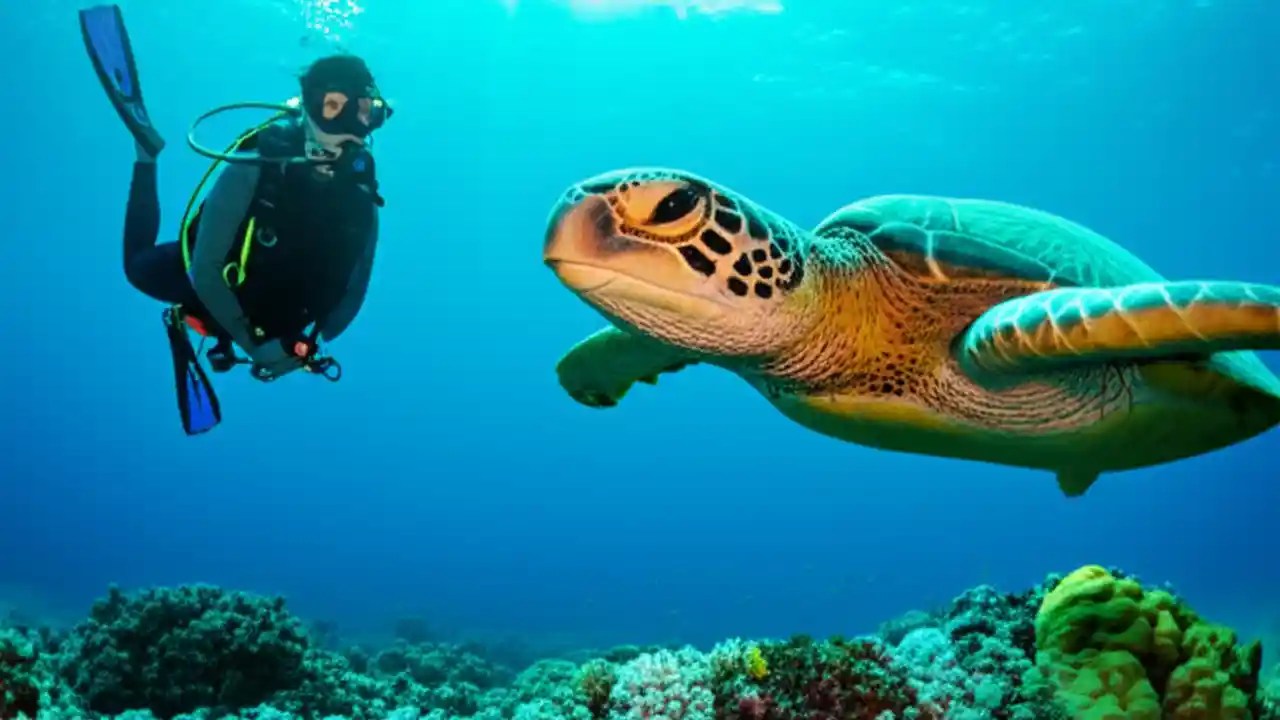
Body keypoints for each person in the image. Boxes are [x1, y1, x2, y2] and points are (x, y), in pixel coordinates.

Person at [79, 4, 391, 434]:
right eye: (332, 107)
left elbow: (354, 290)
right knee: (138, 268)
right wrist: (256, 346)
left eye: (364, 112)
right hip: (219, 276)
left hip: (285, 303)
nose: (350, 129)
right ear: (308, 110)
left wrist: (309, 344)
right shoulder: (254, 166)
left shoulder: (361, 200)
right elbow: (205, 269)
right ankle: (146, 154)